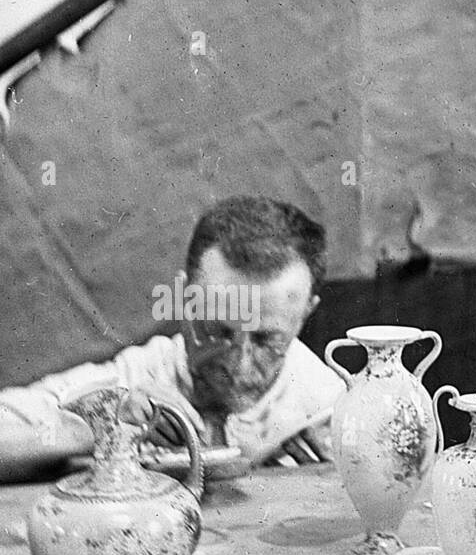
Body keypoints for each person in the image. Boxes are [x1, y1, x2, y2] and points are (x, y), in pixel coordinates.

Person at [0, 196, 343, 476]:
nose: (239, 366)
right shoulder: (139, 376)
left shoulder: (331, 405)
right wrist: (102, 423)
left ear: (305, 313)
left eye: (267, 340)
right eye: (217, 331)